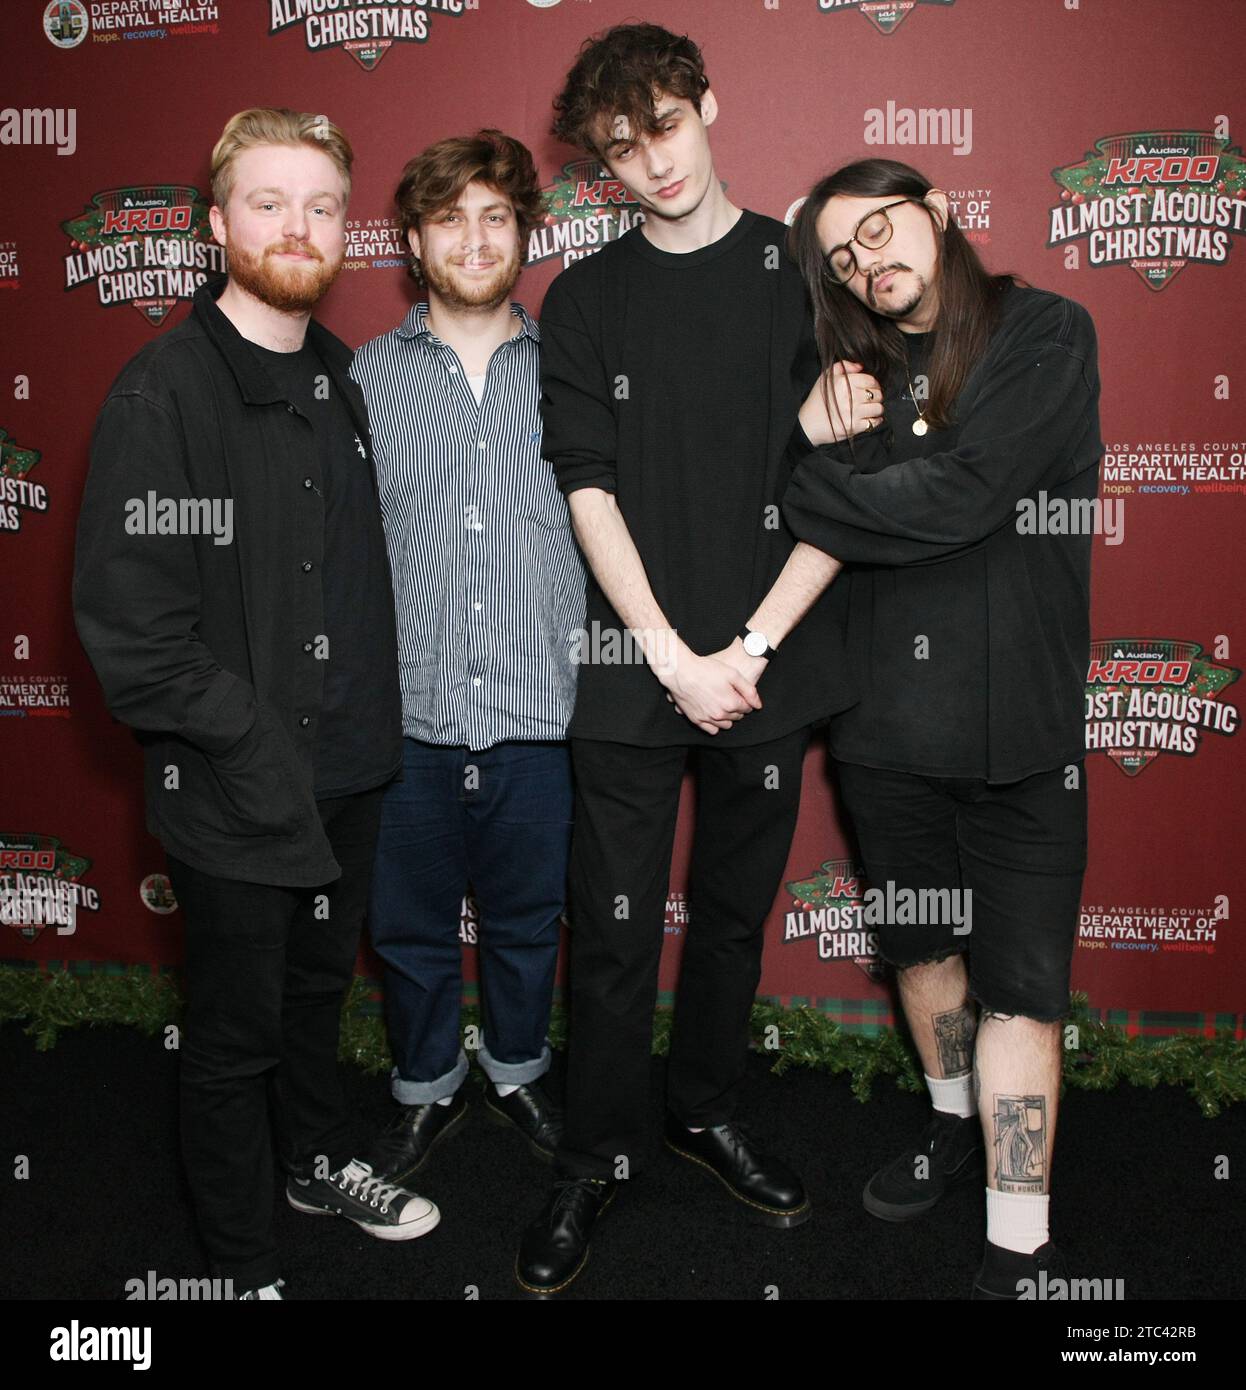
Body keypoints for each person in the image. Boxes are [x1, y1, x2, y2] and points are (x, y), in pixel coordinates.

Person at [73, 107, 437, 1303]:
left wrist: (363, 745)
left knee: (316, 1000)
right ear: (220, 221)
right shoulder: (162, 395)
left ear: (346, 227)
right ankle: (242, 1269)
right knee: (230, 1043)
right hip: (235, 789)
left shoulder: (339, 379)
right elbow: (137, 640)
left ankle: (314, 1163)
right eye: (270, 203)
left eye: (323, 205)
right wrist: (258, 746)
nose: (299, 226)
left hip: (350, 776)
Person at [515, 23, 856, 1296]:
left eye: (662, 126)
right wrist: (670, 656)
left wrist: (747, 649)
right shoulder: (586, 298)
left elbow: (843, 486)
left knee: (727, 917)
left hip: (770, 663)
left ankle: (703, 1107)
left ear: (706, 104)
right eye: (618, 147)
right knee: (607, 934)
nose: (650, 162)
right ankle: (594, 1154)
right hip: (628, 668)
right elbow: (585, 490)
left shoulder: (800, 272)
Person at [781, 158, 1101, 1299]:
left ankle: (1022, 1242)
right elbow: (847, 518)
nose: (870, 262)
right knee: (923, 957)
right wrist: (813, 450)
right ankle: (950, 1120)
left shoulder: (1046, 333)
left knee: (1020, 988)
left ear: (941, 208)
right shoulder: (846, 377)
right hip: (882, 733)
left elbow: (967, 495)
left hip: (1021, 733)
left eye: (881, 228)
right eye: (845, 255)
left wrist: (810, 478)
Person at [349, 131, 584, 1185]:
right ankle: (426, 1086)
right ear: (412, 239)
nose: (475, 238)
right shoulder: (361, 380)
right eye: (450, 218)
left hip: (543, 711)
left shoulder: (574, 373)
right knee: (407, 927)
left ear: (523, 232)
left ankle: (520, 1070)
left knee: (531, 922)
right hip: (405, 717)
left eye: (496, 215)